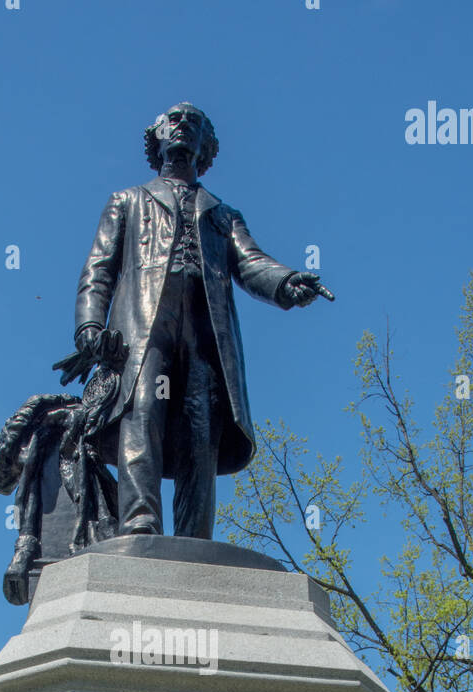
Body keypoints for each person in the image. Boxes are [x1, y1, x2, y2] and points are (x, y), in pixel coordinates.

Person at [71, 103, 326, 540]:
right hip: (144, 326)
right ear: (157, 137)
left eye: (195, 123)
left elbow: (251, 263)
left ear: (207, 145)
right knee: (142, 412)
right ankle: (140, 524)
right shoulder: (128, 201)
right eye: (174, 120)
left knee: (201, 426)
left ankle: (195, 539)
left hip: (206, 332)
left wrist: (285, 283)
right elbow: (99, 271)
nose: (183, 126)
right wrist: (90, 327)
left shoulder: (223, 214)